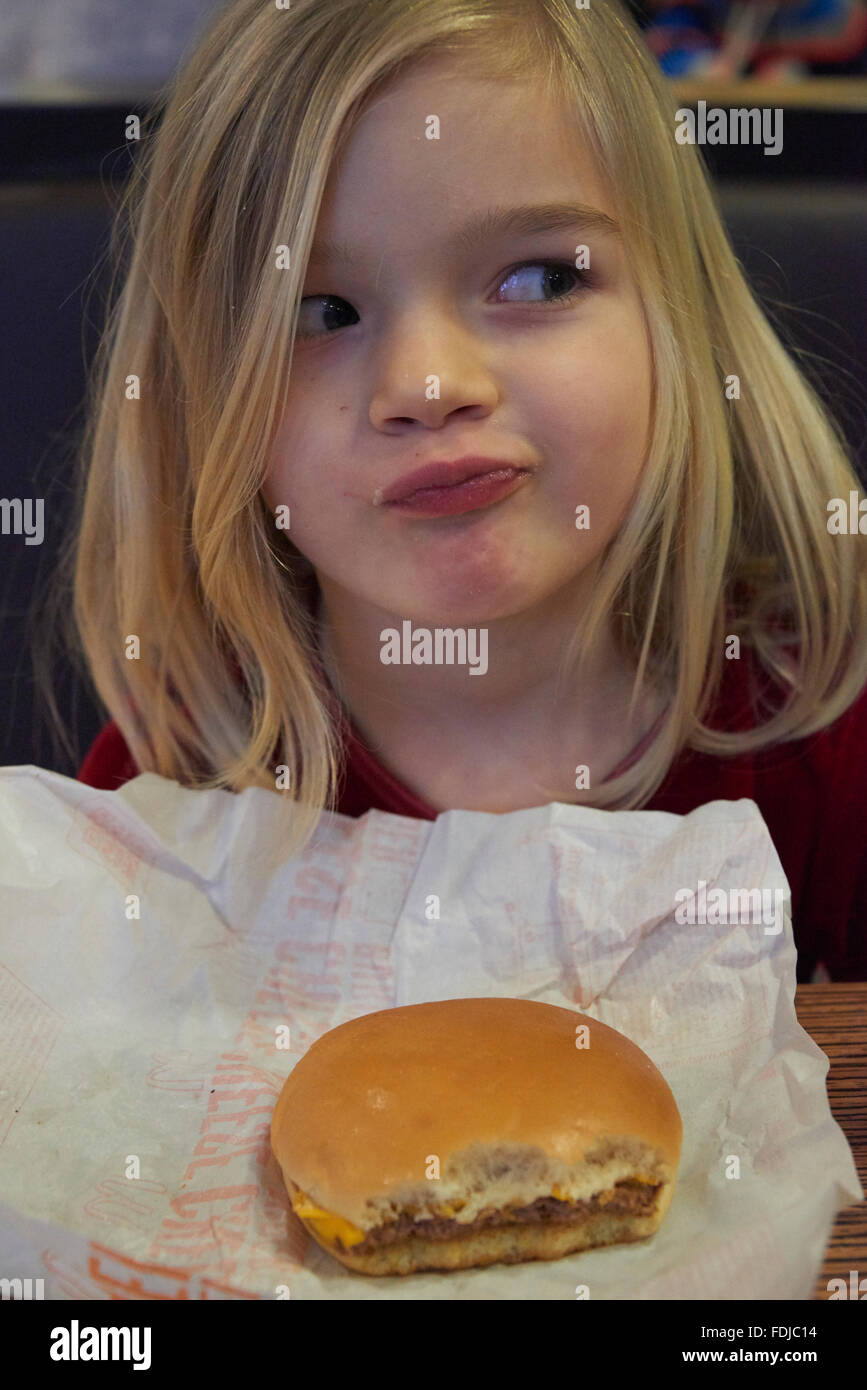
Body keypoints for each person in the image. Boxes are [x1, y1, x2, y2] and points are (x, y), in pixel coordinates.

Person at [45, 0, 866, 981]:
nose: (429, 387)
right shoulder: (169, 780)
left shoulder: (825, 733)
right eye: (319, 310)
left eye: (536, 282)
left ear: (679, 321)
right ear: (197, 396)